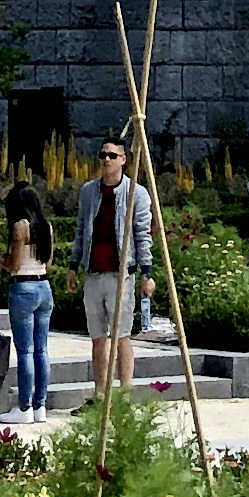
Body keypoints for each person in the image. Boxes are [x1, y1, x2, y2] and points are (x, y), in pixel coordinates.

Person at [67, 134, 156, 402]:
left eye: (112, 156)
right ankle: (100, 395)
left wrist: (147, 273)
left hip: (121, 275)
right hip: (94, 272)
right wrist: (73, 265)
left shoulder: (136, 193)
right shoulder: (89, 191)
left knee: (122, 336)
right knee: (98, 338)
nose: (106, 160)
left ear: (123, 160)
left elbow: (143, 234)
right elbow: (81, 230)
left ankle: (125, 394)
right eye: (103, 155)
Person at [1, 178, 56, 416]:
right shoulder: (46, 226)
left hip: (23, 287)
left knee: (25, 351)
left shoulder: (20, 227)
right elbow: (48, 263)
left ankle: (24, 406)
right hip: (43, 285)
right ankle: (39, 404)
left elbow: (14, 265)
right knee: (41, 350)